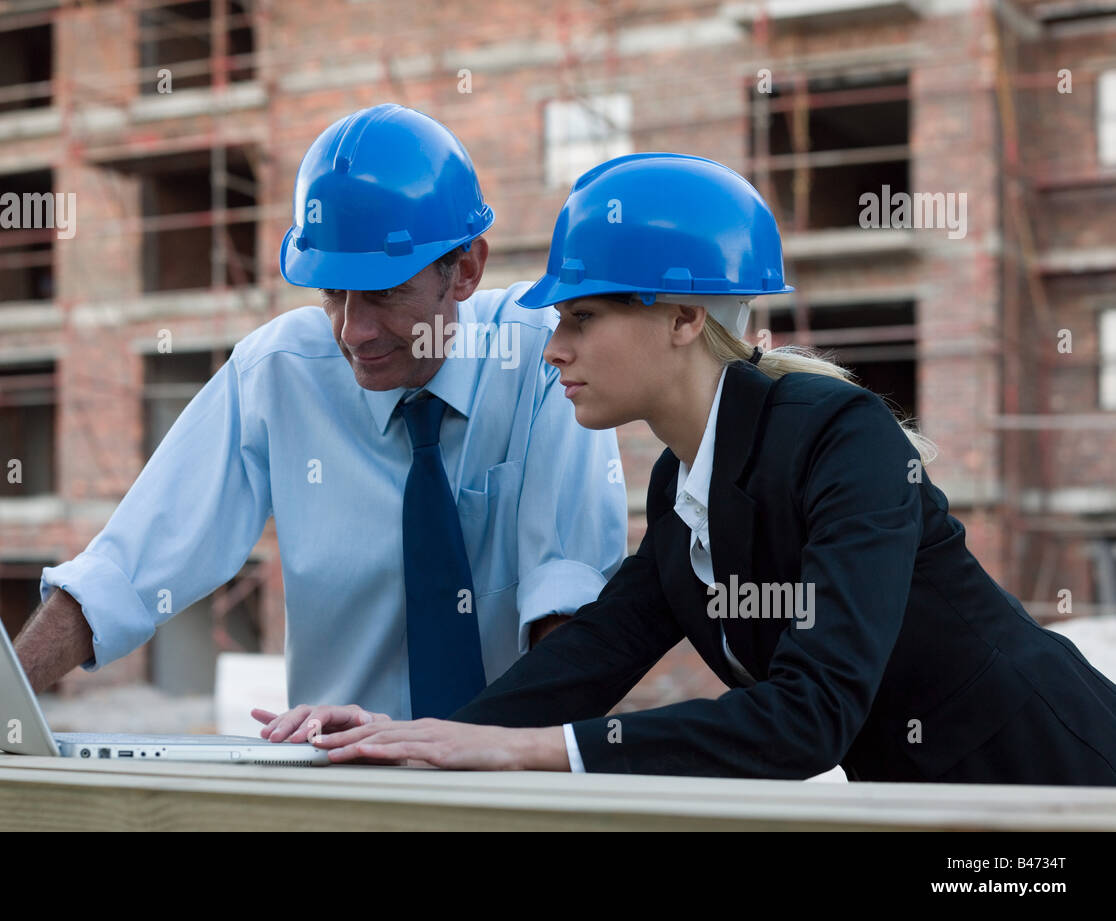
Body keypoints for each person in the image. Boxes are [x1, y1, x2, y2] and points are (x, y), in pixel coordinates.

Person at [267, 152, 1116, 784]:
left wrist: (527, 751)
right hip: (944, 817)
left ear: (681, 319)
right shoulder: (685, 485)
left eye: (583, 318)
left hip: (1062, 788)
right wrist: (404, 736)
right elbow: (596, 653)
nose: (554, 350)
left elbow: (808, 717)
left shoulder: (842, 441)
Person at [0, 104, 627, 752]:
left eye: (380, 293)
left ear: (468, 270)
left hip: (514, 778)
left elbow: (568, 617)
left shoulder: (547, 365)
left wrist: (457, 747)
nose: (351, 330)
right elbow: (134, 560)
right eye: (330, 293)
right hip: (336, 785)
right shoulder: (280, 370)